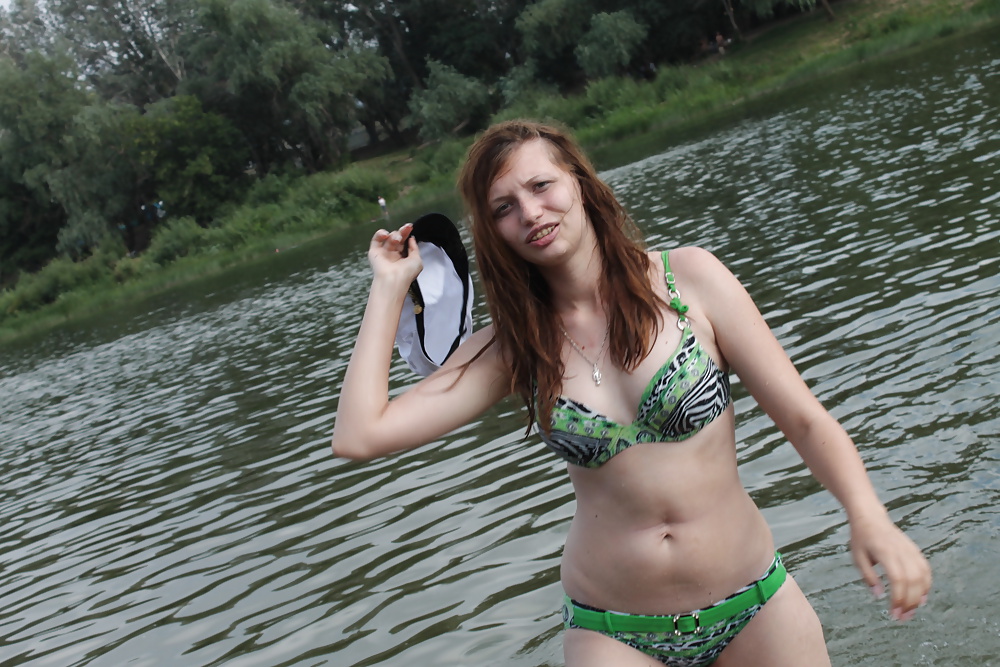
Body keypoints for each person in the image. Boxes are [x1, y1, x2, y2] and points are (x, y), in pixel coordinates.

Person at [331, 120, 931, 666]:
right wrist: (388, 288)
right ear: (493, 232)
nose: (531, 213)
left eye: (541, 185)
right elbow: (360, 435)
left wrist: (868, 516)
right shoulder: (515, 347)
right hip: (614, 633)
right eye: (504, 208)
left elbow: (803, 419)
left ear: (580, 182)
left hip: (754, 605)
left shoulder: (689, 280)